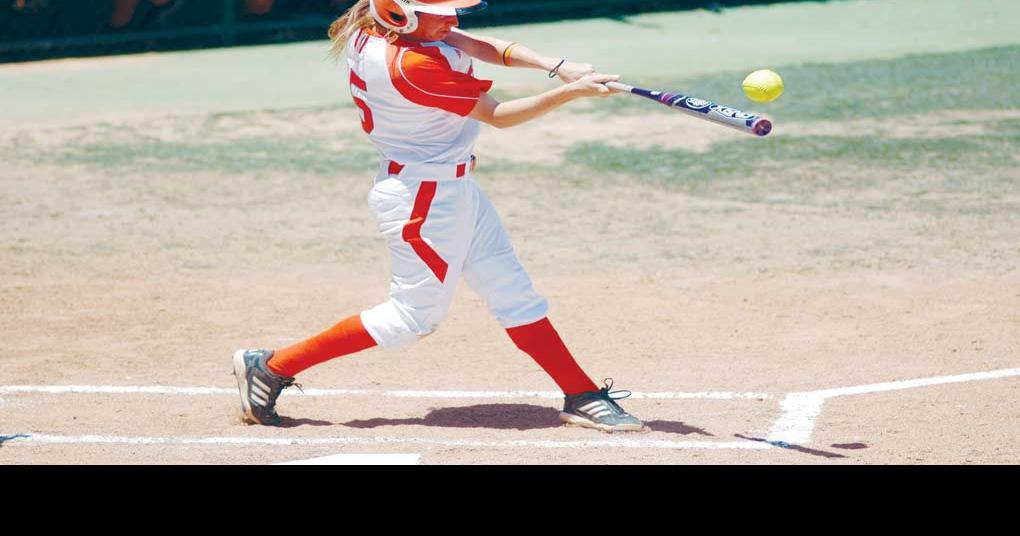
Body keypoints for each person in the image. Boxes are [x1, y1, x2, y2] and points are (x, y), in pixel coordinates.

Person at [232, 0, 647, 434]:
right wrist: (571, 92)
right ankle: (272, 366)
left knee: (512, 291)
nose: (452, 19)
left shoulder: (393, 30)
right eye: (442, 11)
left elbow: (478, 44)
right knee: (412, 318)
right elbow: (497, 116)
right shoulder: (409, 63)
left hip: (452, 187)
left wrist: (555, 65)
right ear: (400, 14)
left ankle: (581, 394)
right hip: (423, 200)